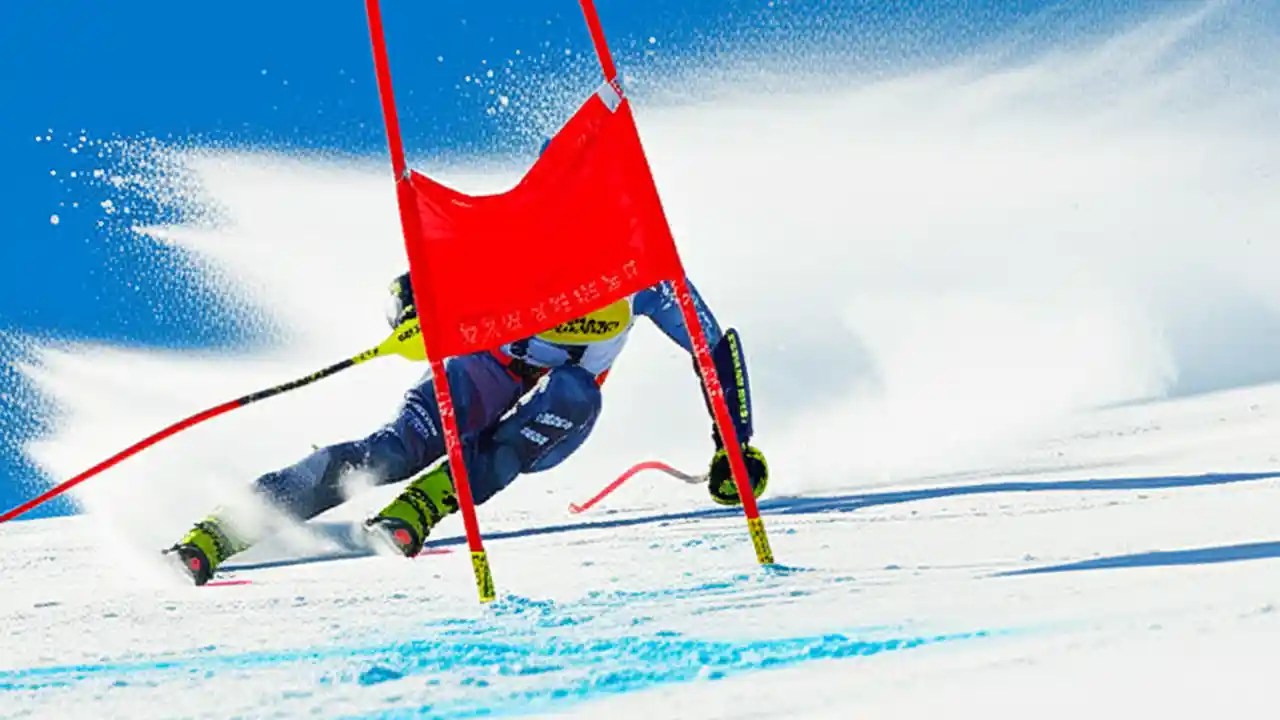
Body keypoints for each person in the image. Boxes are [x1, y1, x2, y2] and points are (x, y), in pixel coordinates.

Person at [166, 271, 769, 585]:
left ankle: (420, 509)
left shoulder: (647, 268)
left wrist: (733, 446)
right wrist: (411, 309)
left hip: (565, 403)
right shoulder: (532, 233)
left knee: (571, 393)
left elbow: (712, 348)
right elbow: (422, 274)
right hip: (489, 366)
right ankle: (220, 533)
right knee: (394, 449)